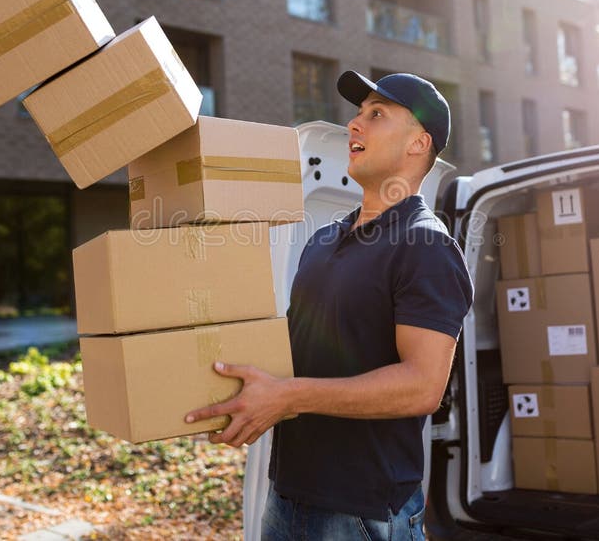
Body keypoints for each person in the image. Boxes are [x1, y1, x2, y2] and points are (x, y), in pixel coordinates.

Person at [184, 71, 474, 541]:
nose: (354, 125)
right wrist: (237, 396)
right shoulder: (322, 240)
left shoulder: (424, 245)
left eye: (376, 114)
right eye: (358, 114)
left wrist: (287, 396)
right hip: (286, 497)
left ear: (418, 144)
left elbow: (423, 386)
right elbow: (298, 356)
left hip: (361, 516)